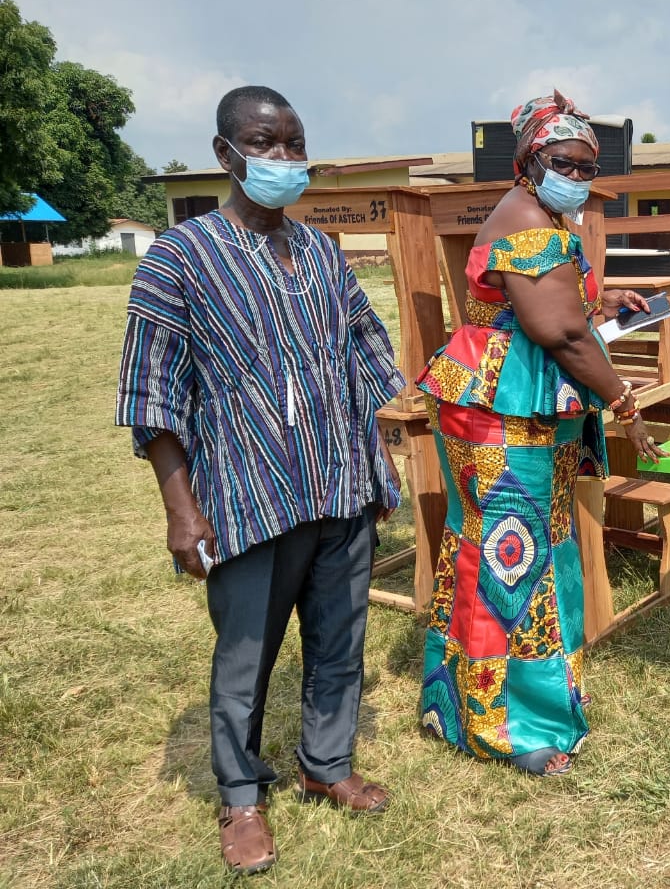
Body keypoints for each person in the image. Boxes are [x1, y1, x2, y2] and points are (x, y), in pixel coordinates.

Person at [116, 86, 402, 874]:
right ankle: (241, 795)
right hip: (248, 493)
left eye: (293, 144)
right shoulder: (180, 257)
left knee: (341, 640)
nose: (282, 159)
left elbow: (367, 356)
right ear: (225, 155)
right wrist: (182, 512)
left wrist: (382, 461)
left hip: (339, 478)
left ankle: (326, 764)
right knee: (246, 654)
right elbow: (153, 392)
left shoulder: (319, 253)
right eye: (264, 143)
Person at [415, 90, 667, 777]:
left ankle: (460, 700)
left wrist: (601, 299)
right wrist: (622, 399)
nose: (579, 176)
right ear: (528, 161)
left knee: (497, 551)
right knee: (510, 557)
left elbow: (551, 303)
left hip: (506, 404)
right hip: (504, 413)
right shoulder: (532, 224)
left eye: (589, 166)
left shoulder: (540, 218)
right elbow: (557, 330)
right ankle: (505, 723)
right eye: (565, 162)